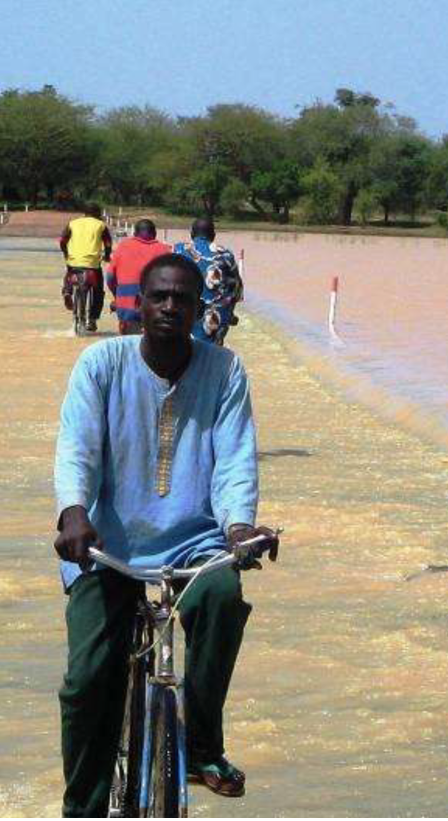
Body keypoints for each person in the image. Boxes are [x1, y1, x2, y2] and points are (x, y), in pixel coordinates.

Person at [54, 253, 278, 817]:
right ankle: (82, 808)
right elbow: (77, 447)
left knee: (223, 598)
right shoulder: (101, 365)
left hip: (195, 544)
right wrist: (73, 512)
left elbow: (234, 459)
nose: (170, 308)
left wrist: (240, 527)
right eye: (160, 297)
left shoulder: (225, 370)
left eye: (182, 299)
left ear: (201, 309)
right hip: (107, 546)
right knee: (87, 683)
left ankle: (202, 744)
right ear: (138, 304)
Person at [173, 218, 243, 345]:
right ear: (213, 236)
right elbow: (237, 291)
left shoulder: (178, 250)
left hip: (184, 317)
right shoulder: (226, 255)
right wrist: (229, 314)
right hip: (215, 323)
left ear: (192, 234)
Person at [104, 218, 172, 335]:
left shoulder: (122, 247)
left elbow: (110, 278)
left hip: (126, 310)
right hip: (155, 312)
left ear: (134, 234)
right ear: (155, 234)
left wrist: (117, 296)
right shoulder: (165, 250)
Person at [60, 204, 113, 332]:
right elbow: (108, 243)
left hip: (74, 262)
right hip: (92, 264)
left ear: (84, 213)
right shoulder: (100, 225)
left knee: (70, 271)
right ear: (98, 214)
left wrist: (66, 254)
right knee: (98, 291)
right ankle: (93, 319)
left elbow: (62, 241)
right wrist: (106, 255)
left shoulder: (72, 223)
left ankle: (67, 291)